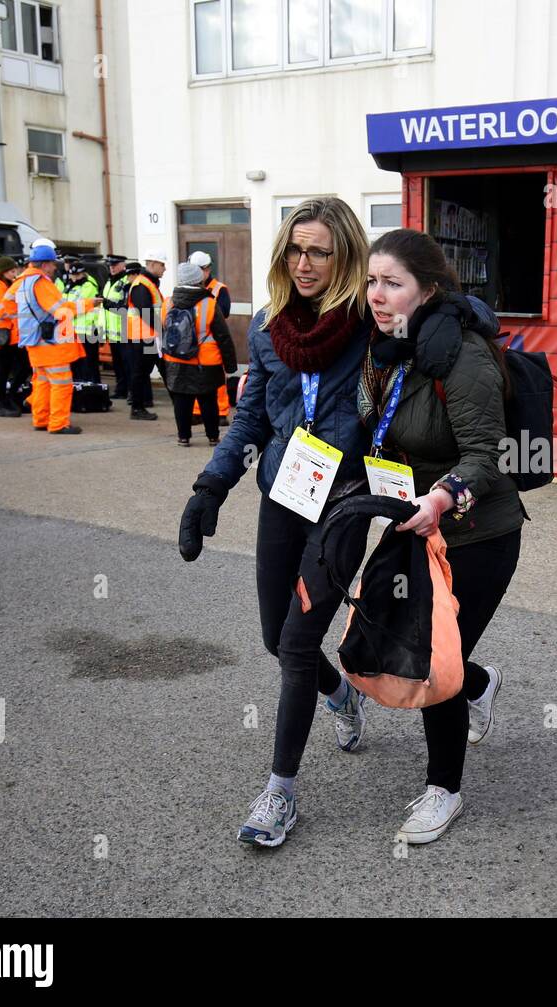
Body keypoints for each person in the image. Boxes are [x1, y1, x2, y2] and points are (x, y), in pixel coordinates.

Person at [176, 197, 373, 848]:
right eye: (295, 248)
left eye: (319, 250)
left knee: (295, 643)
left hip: (343, 500)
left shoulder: (371, 321)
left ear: (344, 254)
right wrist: (211, 485)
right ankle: (341, 692)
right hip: (286, 492)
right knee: (273, 635)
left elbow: (447, 316)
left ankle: (280, 792)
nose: (305, 262)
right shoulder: (265, 325)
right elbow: (252, 418)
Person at [359, 227, 522, 845]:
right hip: (416, 524)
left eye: (392, 283)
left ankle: (443, 791)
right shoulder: (392, 348)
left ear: (428, 290)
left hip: (478, 533)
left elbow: (489, 451)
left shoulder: (463, 353)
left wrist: (444, 494)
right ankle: (480, 685)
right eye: (372, 280)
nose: (377, 294)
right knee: (414, 644)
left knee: (431, 658)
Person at [11, 243, 91, 434]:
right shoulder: (41, 283)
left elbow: (8, 302)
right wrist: (88, 304)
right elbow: (61, 310)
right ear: (45, 264)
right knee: (61, 383)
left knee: (42, 382)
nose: (56, 267)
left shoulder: (22, 282)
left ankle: (40, 419)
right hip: (50, 343)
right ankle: (58, 424)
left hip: (34, 341)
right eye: (53, 263)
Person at [162, 261, 237, 446]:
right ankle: (212, 436)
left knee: (181, 399)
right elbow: (223, 337)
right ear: (198, 280)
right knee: (208, 400)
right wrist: (230, 365)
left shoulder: (168, 302)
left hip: (175, 360)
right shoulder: (209, 304)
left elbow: (165, 331)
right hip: (205, 362)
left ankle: (183, 437)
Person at [189, 249, 233, 424]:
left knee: (218, 381)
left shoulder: (219, 289)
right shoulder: (189, 289)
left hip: (213, 344)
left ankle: (221, 413)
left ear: (207, 270)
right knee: (193, 379)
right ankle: (197, 412)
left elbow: (224, 313)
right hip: (192, 344)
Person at [124, 251, 167, 420]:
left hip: (148, 336)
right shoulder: (142, 285)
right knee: (141, 373)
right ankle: (137, 408)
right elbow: (146, 313)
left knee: (152, 371)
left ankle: (138, 407)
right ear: (153, 264)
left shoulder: (148, 284)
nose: (165, 268)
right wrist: (163, 331)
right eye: (162, 265)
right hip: (144, 337)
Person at [0, 256, 29, 416]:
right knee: (4, 370)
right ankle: (3, 403)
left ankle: (11, 399)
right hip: (1, 335)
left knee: (22, 367)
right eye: (12, 271)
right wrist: (21, 309)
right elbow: (2, 310)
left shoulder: (6, 285)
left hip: (11, 335)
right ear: (3, 272)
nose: (15, 273)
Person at [64, 259, 101, 382]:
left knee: (89, 363)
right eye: (72, 275)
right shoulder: (68, 286)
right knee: (76, 363)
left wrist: (68, 307)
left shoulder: (88, 286)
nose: (75, 278)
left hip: (88, 330)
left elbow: (78, 305)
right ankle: (80, 388)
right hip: (73, 330)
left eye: (77, 275)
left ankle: (93, 389)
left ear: (83, 274)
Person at [100, 256, 132, 397]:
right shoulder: (109, 281)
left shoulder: (126, 281)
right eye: (110, 265)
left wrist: (110, 305)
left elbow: (126, 307)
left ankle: (131, 391)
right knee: (118, 365)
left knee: (127, 364)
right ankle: (121, 390)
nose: (112, 267)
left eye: (115, 265)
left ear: (122, 265)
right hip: (112, 332)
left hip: (123, 330)